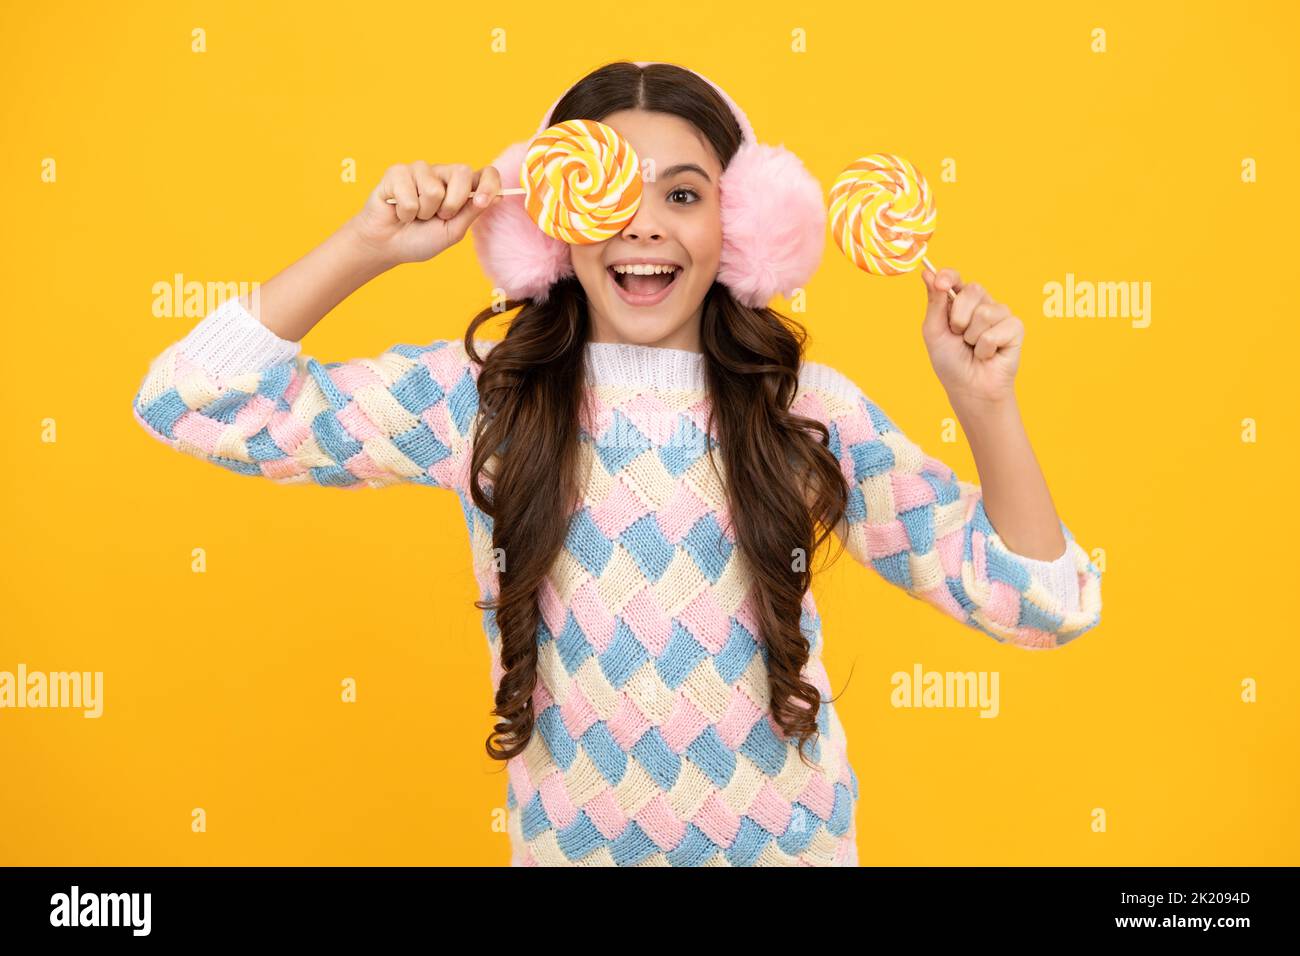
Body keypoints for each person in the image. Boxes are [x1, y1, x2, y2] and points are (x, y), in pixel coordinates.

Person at [131, 60, 1102, 866]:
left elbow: (1038, 607)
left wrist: (984, 406)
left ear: (744, 225)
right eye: (604, 189)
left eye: (683, 194)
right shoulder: (479, 398)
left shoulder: (804, 407)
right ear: (544, 217)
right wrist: (367, 245)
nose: (642, 225)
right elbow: (186, 404)